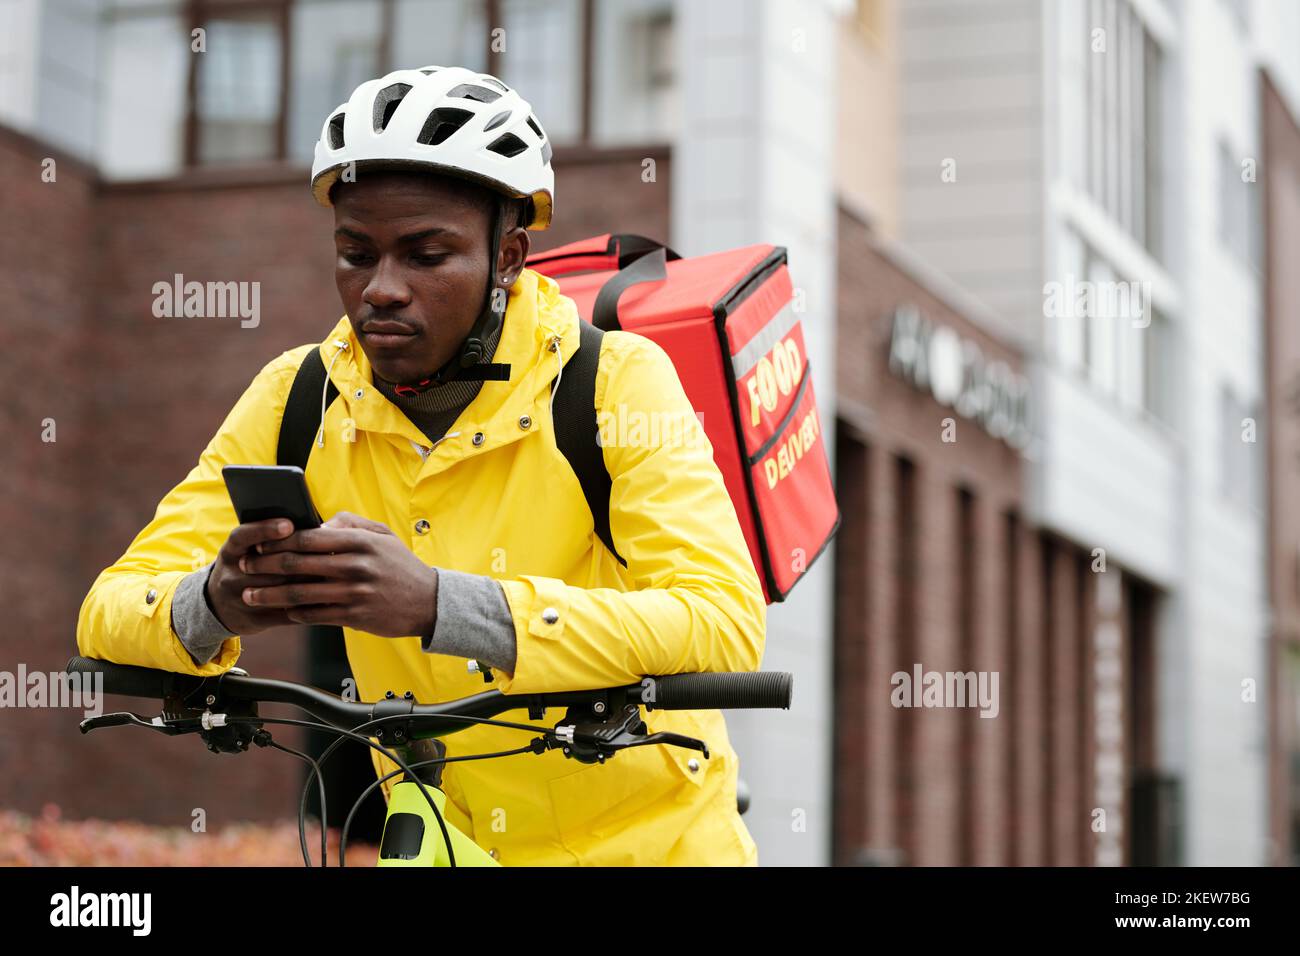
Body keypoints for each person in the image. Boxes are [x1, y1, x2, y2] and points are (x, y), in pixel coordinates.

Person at [76, 66, 767, 866]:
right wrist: (218, 601)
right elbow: (107, 609)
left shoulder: (614, 382)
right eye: (355, 254)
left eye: (426, 255)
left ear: (508, 257)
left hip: (657, 846)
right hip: (439, 841)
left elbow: (722, 620)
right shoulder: (296, 396)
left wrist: (443, 605)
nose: (382, 289)